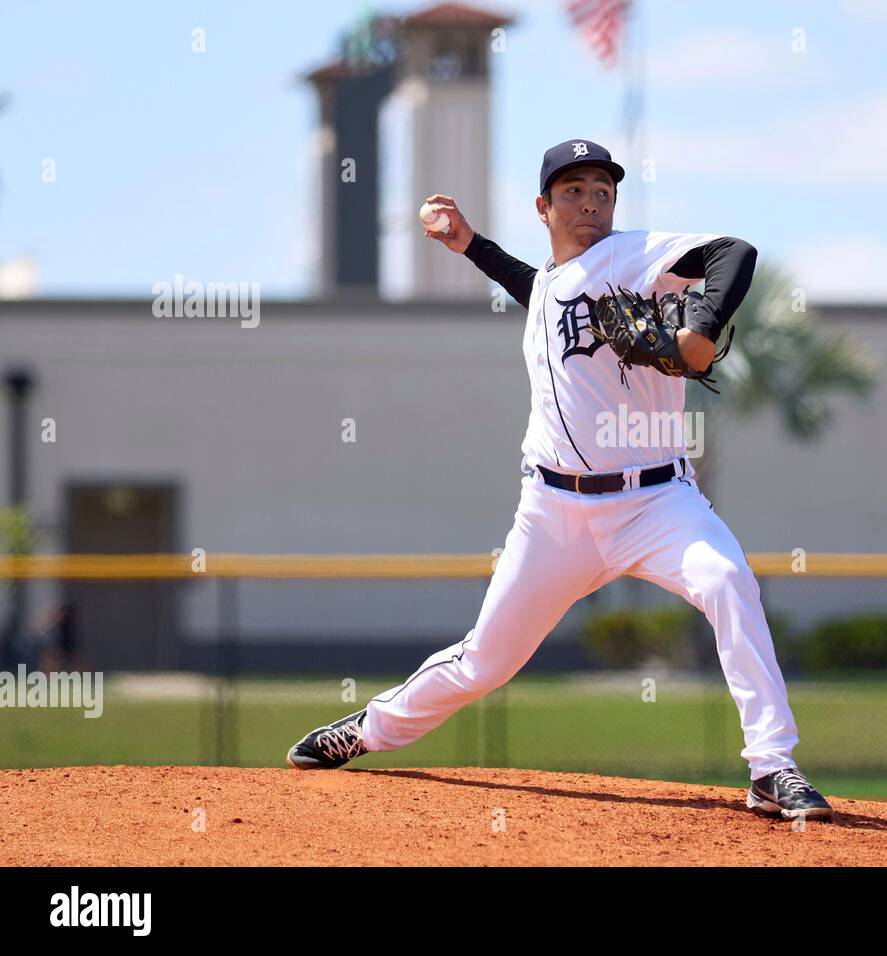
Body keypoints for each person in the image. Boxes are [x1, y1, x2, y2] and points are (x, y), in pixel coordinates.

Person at [287, 139, 832, 821]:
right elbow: (537, 288)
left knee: (727, 580)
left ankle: (771, 765)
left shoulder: (633, 256)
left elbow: (735, 253)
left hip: (657, 501)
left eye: (602, 191)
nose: (591, 203)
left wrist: (698, 328)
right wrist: (469, 245)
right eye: (574, 191)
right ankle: (366, 730)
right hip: (552, 515)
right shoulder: (552, 283)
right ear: (543, 207)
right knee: (484, 661)